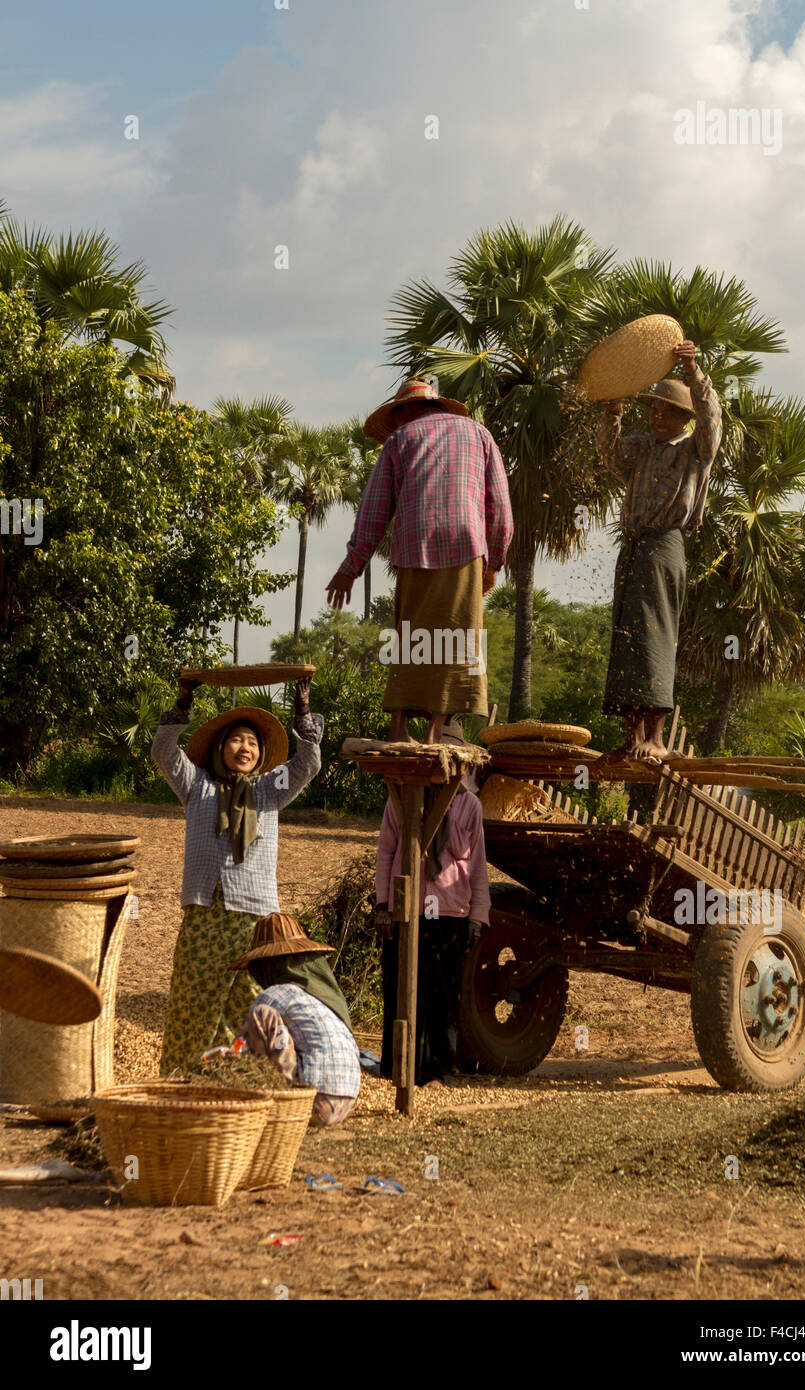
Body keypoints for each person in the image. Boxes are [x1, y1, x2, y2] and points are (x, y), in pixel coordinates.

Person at [325, 378, 514, 744]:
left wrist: (350, 568)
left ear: (406, 411)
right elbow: (500, 509)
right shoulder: (478, 433)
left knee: (414, 637)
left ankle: (398, 728)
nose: (394, 427)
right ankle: (433, 733)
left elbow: (374, 510)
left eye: (396, 419)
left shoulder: (399, 440)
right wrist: (494, 563)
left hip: (416, 543)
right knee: (454, 636)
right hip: (465, 543)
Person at [151, 675, 323, 1072]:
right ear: (219, 747)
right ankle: (184, 1079)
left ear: (260, 754)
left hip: (255, 921)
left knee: (249, 1003)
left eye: (252, 742)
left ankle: (244, 1081)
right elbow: (163, 751)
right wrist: (183, 701)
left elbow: (307, 764)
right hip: (204, 915)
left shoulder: (270, 789)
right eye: (235, 739)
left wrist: (301, 711)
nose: (244, 747)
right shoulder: (196, 784)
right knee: (193, 1001)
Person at [596, 341, 723, 762]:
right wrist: (612, 412)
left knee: (656, 638)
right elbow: (608, 455)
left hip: (664, 548)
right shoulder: (643, 448)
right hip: (633, 549)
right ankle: (632, 737)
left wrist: (692, 369)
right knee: (628, 638)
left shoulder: (696, 450)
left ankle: (656, 738)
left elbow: (712, 420)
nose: (657, 416)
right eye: (653, 410)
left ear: (685, 417)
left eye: (666, 411)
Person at [375, 725, 490, 1086]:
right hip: (405, 907)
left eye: (452, 761)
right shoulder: (403, 796)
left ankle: (438, 1069)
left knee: (443, 995)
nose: (445, 766)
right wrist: (382, 906)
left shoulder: (469, 805)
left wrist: (477, 916)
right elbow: (386, 853)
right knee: (400, 991)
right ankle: (397, 1066)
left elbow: (477, 866)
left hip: (450, 913)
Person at [230, 911, 361, 1127]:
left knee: (262, 1015)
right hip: (346, 1103)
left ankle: (272, 1097)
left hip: (311, 1103)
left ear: (268, 965)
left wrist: (229, 1063)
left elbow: (241, 1046)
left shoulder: (274, 996)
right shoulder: (323, 998)